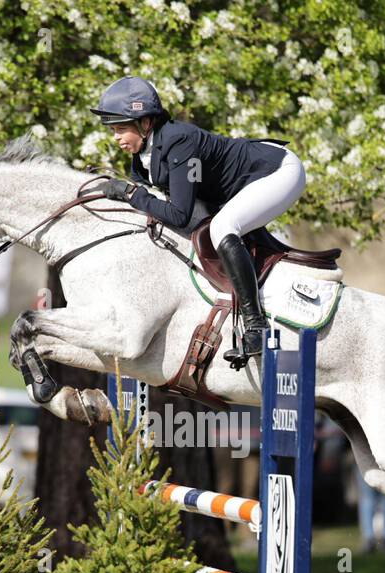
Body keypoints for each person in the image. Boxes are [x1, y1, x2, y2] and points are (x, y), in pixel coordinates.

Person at [91, 76, 307, 366]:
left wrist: (131, 194)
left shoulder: (180, 141)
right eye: (113, 130)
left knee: (223, 229)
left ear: (145, 123)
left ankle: (256, 326)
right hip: (242, 183)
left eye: (120, 129)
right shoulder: (143, 158)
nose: (116, 137)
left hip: (277, 170)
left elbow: (180, 214)